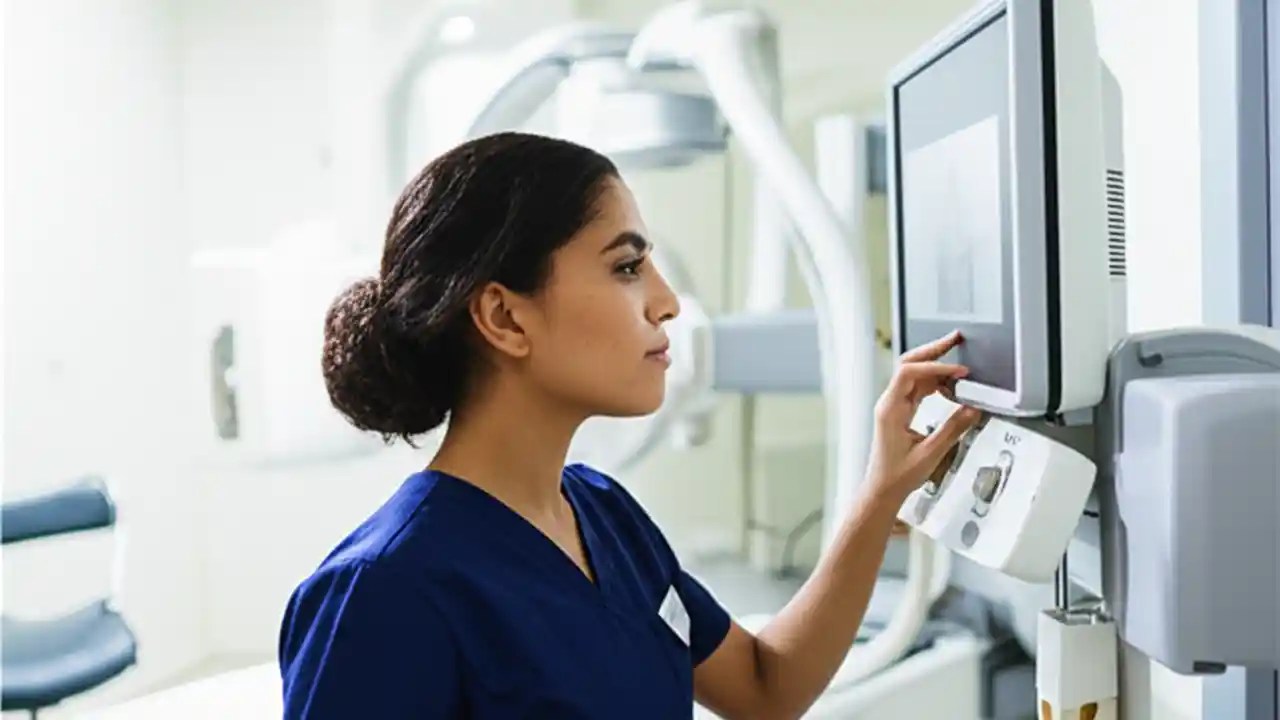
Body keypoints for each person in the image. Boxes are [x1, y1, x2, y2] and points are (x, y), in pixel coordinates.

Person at [277, 131, 981, 719]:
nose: (668, 301)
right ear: (504, 317)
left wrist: (880, 491)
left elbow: (767, 688)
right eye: (626, 266)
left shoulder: (604, 516)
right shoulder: (385, 592)